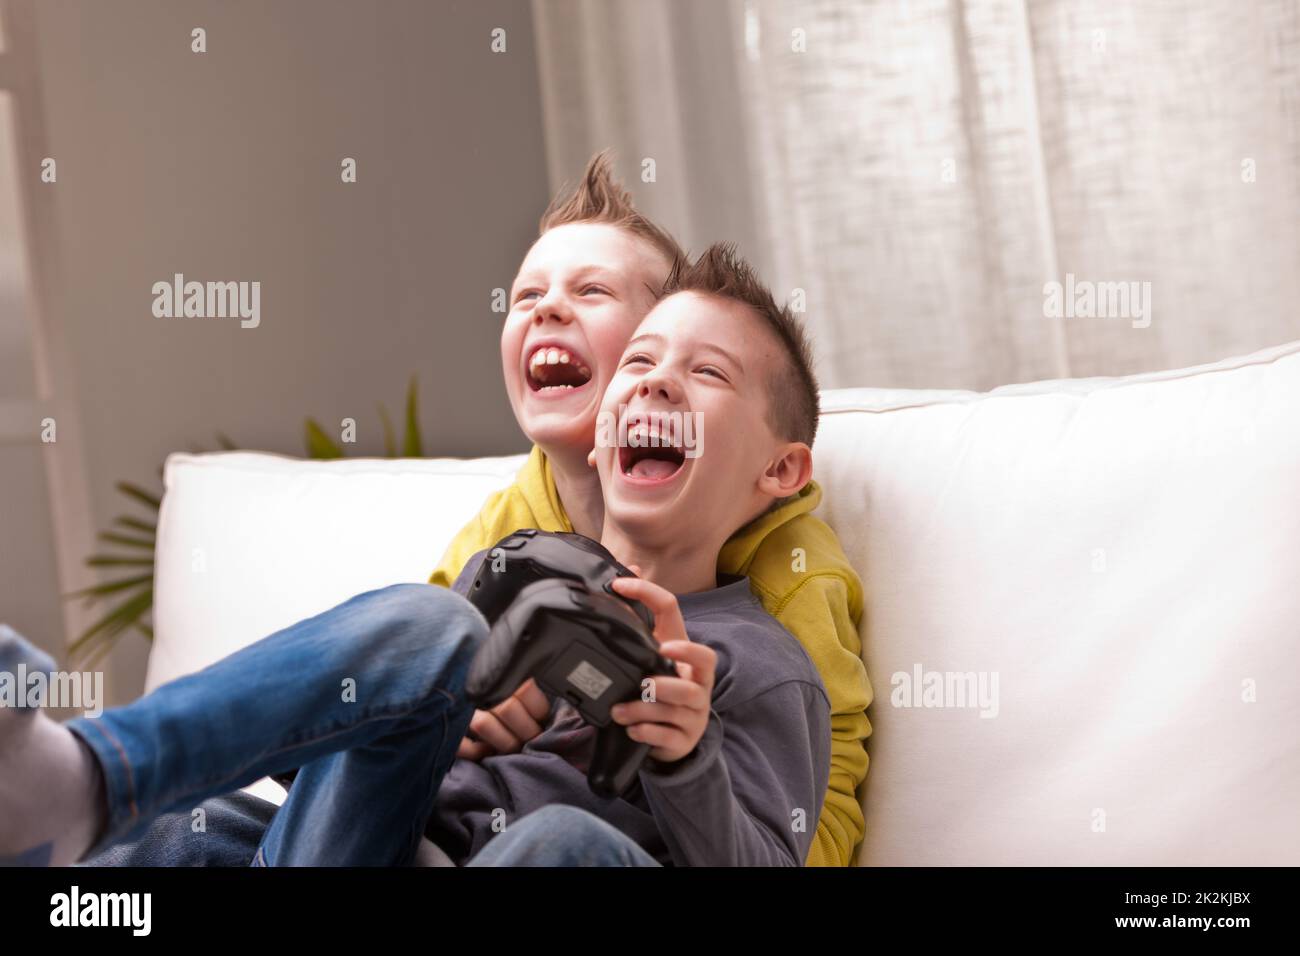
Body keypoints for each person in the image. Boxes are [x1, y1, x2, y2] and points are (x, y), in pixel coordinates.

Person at [1, 243, 832, 867]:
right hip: (365, 848)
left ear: (781, 469)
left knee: (559, 844)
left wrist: (684, 760)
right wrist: (443, 723)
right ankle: (90, 781)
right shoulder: (516, 574)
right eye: (641, 361)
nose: (655, 382)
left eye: (709, 373)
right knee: (199, 827)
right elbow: (322, 774)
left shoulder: (758, 660)